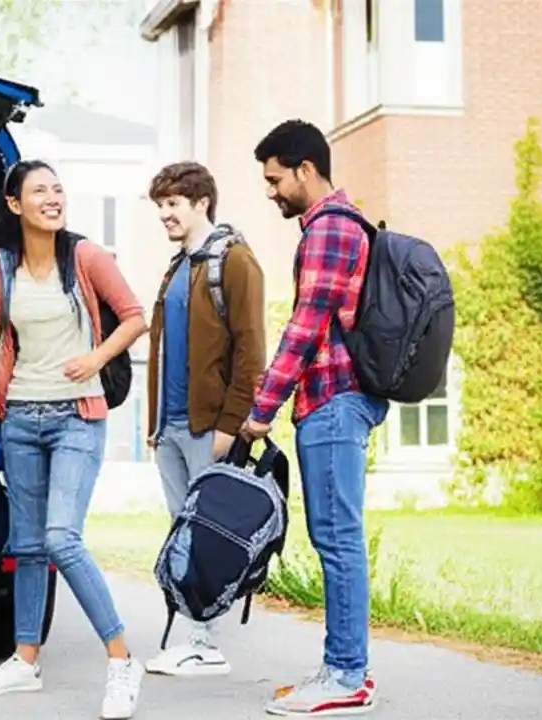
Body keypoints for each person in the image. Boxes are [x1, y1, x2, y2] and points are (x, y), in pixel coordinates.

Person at [0, 159, 149, 720]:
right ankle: (24, 659)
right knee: (27, 544)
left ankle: (120, 661)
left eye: (59, 189)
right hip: (19, 417)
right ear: (15, 205)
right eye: (40, 190)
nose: (53, 197)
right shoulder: (1, 264)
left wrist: (97, 355)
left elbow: (135, 317)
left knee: (62, 538)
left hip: (77, 418)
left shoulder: (85, 256)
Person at [239, 120, 388, 717]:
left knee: (338, 540)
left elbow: (305, 329)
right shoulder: (340, 224)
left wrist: (259, 412)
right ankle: (340, 666)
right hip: (334, 400)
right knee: (335, 538)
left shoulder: (328, 227)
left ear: (305, 168)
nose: (270, 191)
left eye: (275, 179)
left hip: (332, 398)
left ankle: (347, 675)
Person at [140, 161, 266, 677]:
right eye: (160, 206)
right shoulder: (179, 266)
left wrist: (230, 424)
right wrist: (155, 423)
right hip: (171, 427)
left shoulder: (235, 263)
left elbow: (252, 353)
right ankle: (193, 634)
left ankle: (204, 643)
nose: (165, 215)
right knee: (182, 533)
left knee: (207, 536)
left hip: (208, 426)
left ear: (201, 204)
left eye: (173, 204)